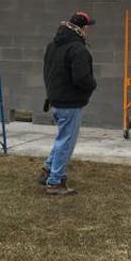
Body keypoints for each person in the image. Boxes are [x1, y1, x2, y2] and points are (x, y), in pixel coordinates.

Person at [38, 10, 97, 196]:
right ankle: (55, 182)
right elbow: (82, 79)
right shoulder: (78, 49)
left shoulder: (52, 45)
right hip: (70, 103)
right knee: (66, 142)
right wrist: (92, 85)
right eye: (88, 27)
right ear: (83, 27)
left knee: (62, 138)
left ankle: (47, 169)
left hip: (56, 100)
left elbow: (47, 72)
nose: (89, 30)